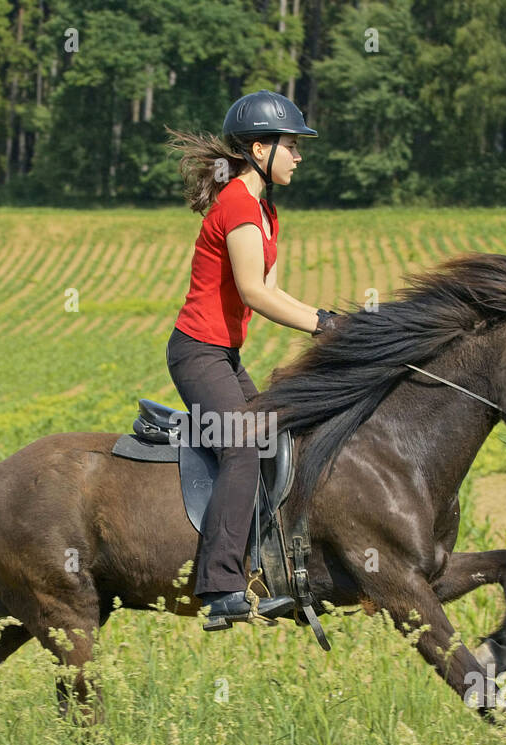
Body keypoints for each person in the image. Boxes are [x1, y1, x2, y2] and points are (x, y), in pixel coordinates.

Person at [164, 90, 339, 630]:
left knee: (274, 435)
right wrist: (320, 324)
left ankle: (271, 566)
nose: (298, 156)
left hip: (224, 354)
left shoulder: (264, 209)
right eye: (291, 145)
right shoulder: (238, 204)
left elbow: (272, 287)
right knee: (242, 446)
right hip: (197, 354)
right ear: (259, 148)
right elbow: (254, 294)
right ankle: (219, 589)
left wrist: (326, 318)